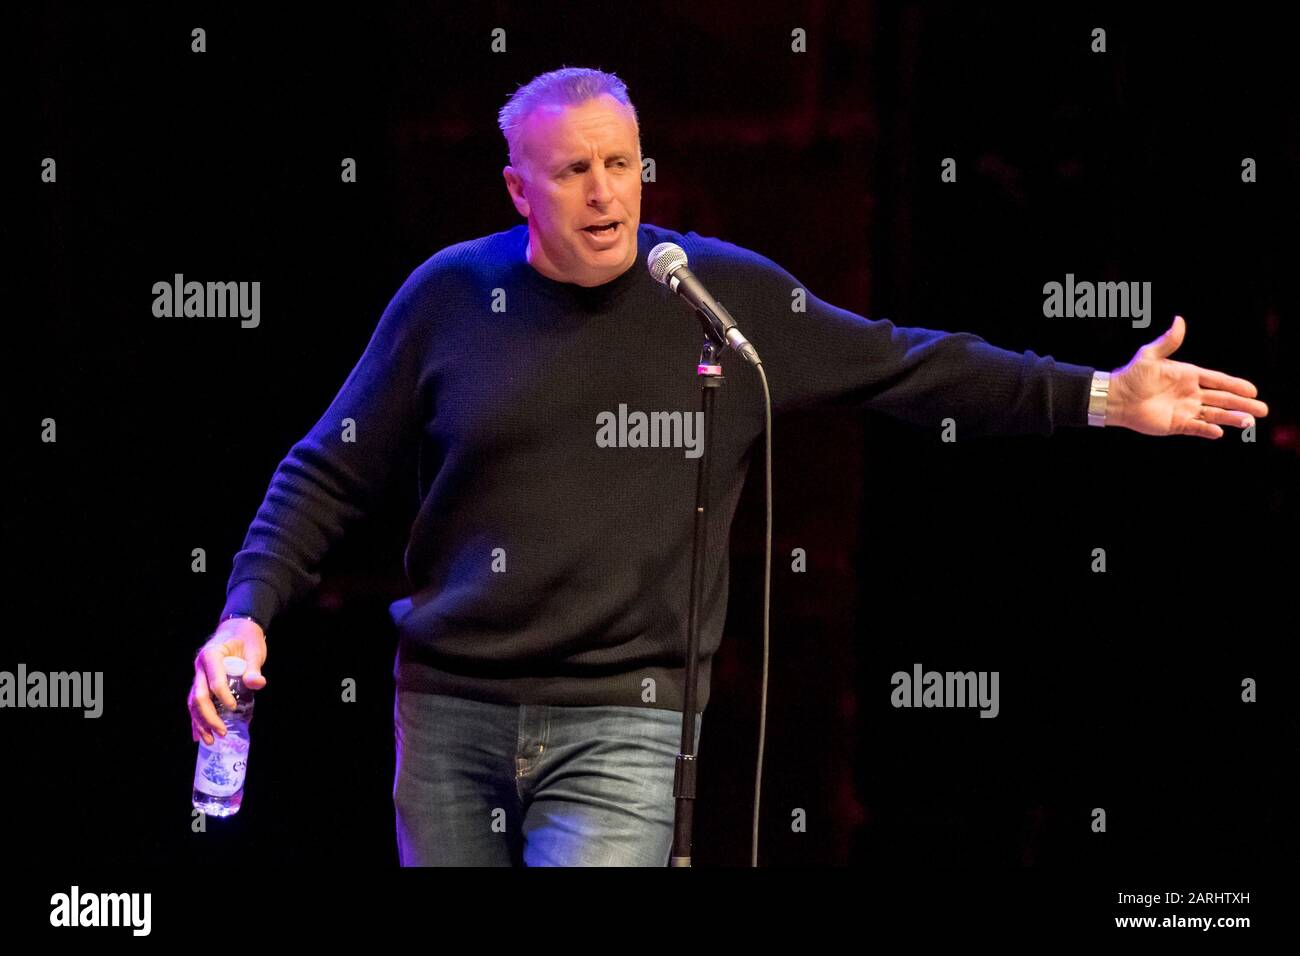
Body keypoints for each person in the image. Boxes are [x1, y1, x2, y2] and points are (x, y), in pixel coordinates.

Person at [186, 66, 1269, 866]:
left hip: (624, 714)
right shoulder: (448, 298)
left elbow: (904, 364)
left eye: (623, 164)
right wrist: (248, 607)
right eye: (574, 171)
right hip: (448, 710)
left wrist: (1098, 394)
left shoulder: (711, 296)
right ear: (519, 190)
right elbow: (324, 470)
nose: (607, 192)